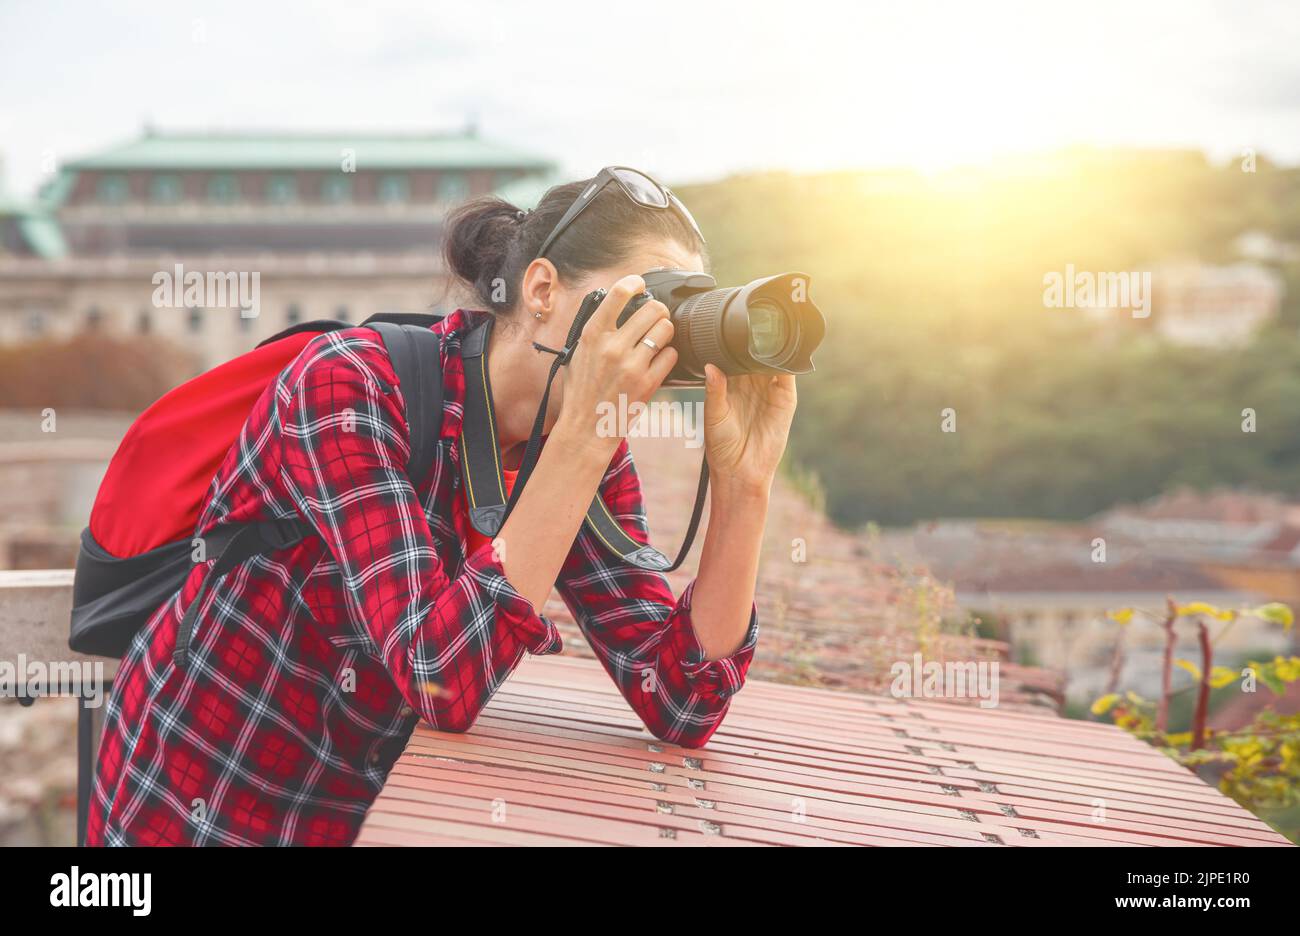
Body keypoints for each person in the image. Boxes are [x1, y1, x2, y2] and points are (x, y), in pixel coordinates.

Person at [87, 168, 797, 845]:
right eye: (643, 301)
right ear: (543, 289)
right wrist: (586, 436)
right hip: (198, 804)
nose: (655, 335)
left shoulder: (583, 446)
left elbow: (680, 699)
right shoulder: (350, 386)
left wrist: (745, 488)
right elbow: (439, 674)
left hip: (358, 817)